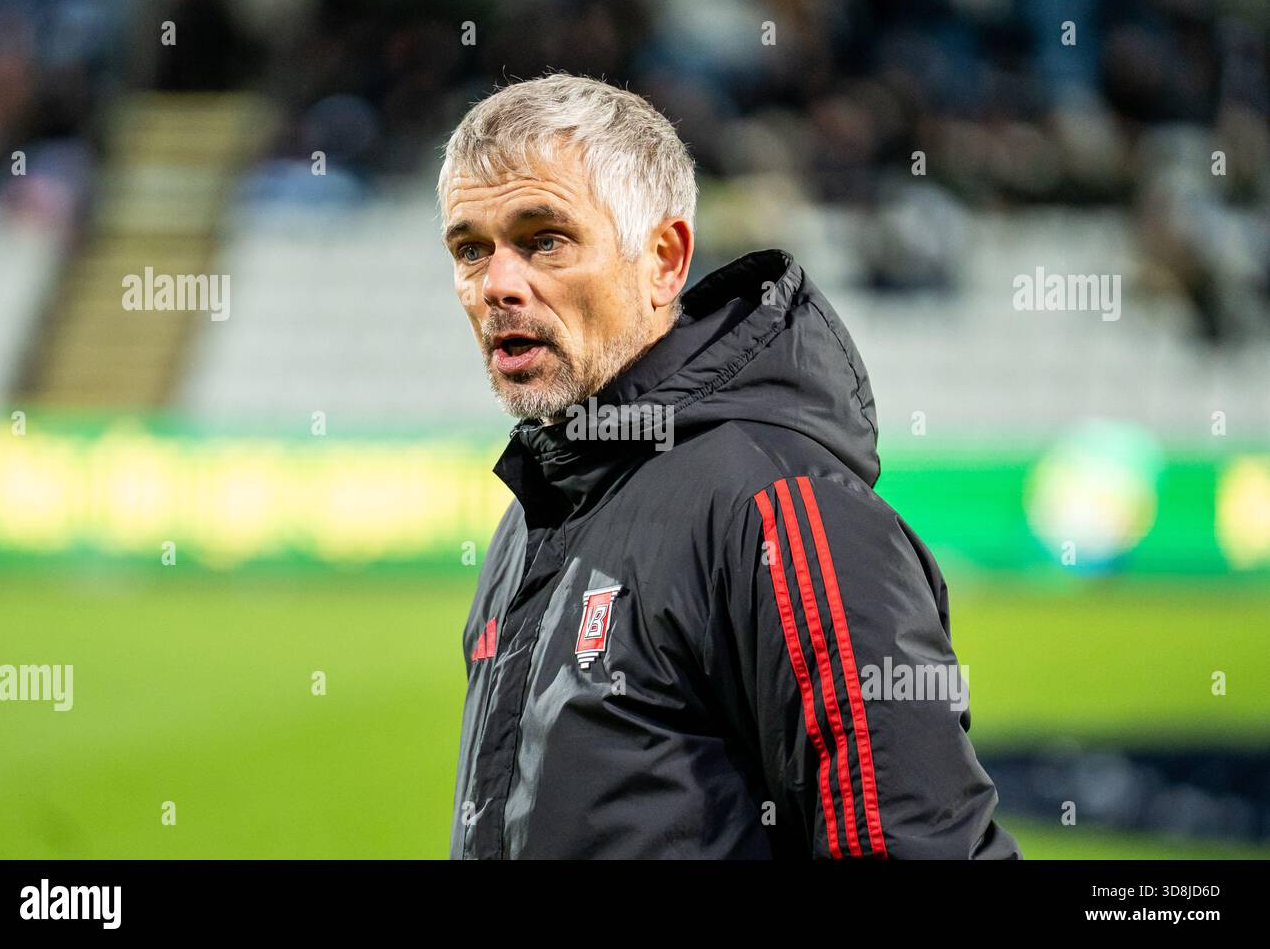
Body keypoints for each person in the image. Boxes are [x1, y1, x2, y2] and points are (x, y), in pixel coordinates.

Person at [437, 72, 1020, 859]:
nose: (498, 285)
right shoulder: (534, 511)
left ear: (664, 261)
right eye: (471, 249)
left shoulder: (784, 508)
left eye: (545, 239)